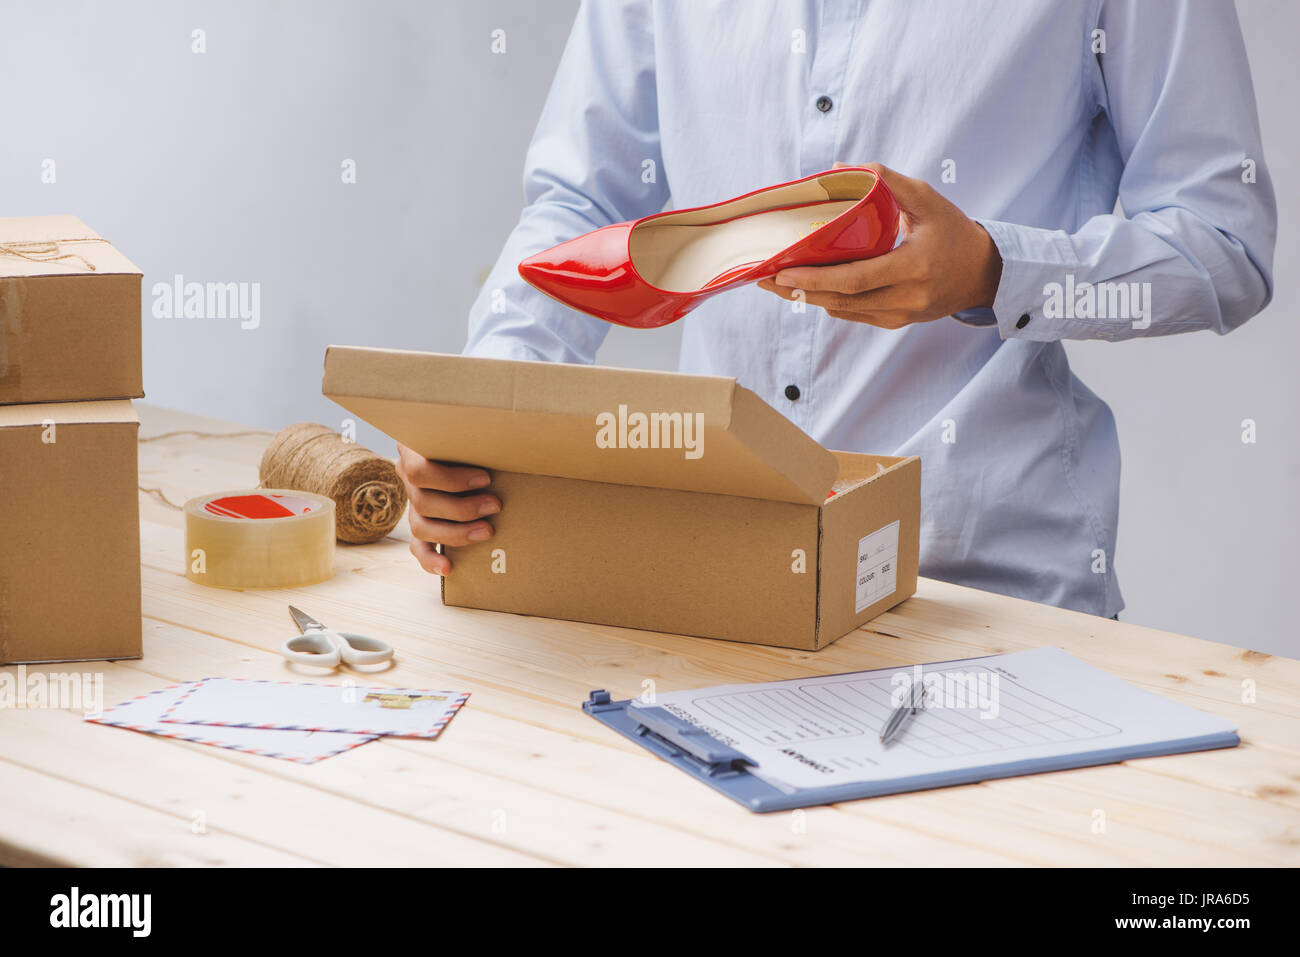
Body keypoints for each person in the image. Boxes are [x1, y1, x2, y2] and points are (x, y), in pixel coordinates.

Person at [397, 0, 1275, 619]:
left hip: (981, 591)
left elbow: (1222, 243)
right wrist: (484, 420)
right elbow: (582, 205)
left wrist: (996, 271)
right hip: (717, 569)